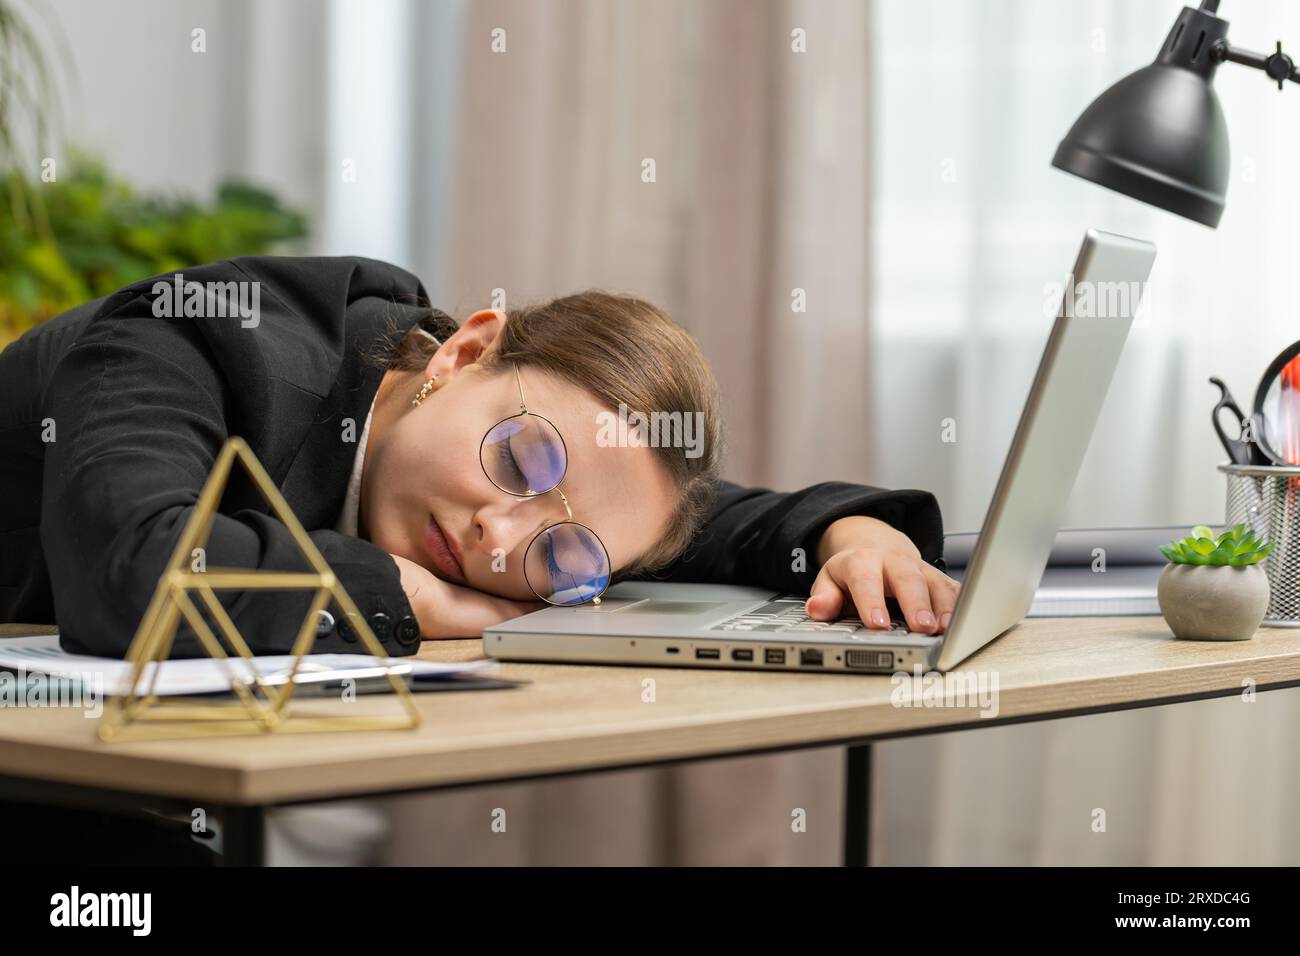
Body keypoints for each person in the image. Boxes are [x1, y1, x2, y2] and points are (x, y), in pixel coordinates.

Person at [0, 256, 960, 659]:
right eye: (522, 461)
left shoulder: (546, 498)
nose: (499, 540)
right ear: (462, 351)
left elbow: (668, 516)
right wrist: (414, 599)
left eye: (565, 556)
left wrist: (848, 529)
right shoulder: (200, 336)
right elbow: (131, 569)